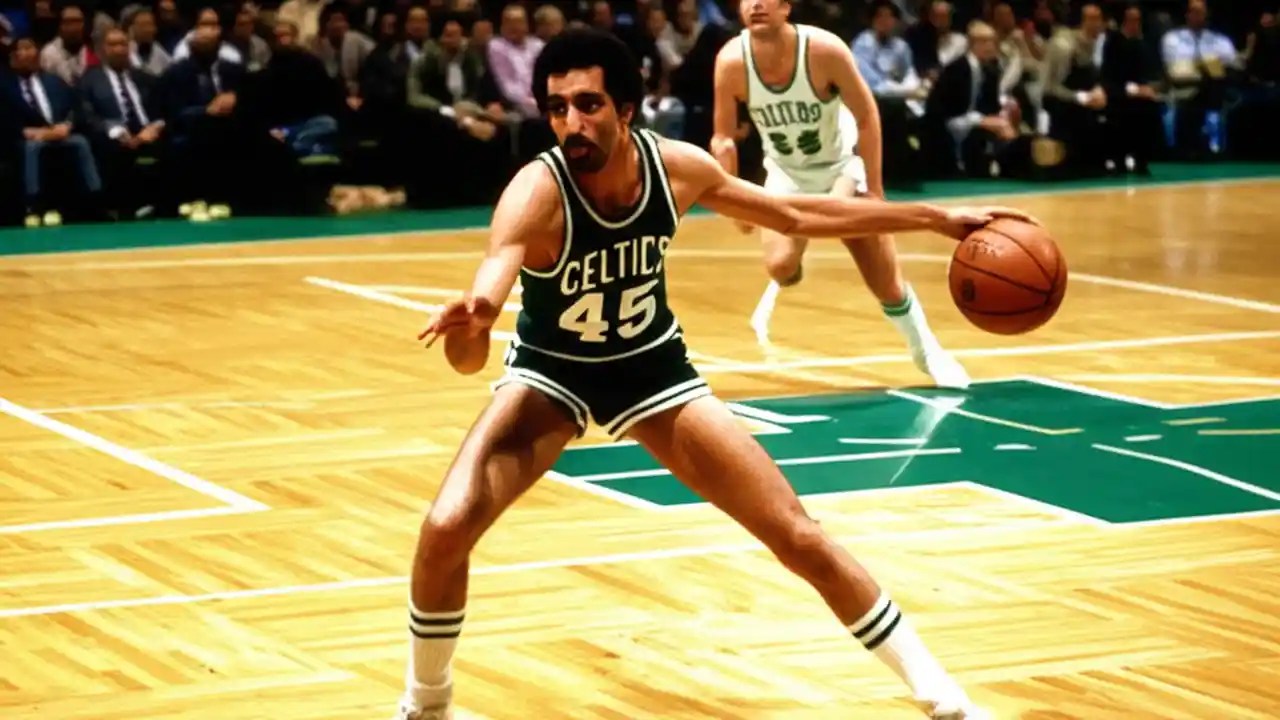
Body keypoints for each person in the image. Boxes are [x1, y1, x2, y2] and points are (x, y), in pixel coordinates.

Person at [394, 27, 1031, 720]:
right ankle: (426, 706)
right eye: (555, 108)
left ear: (628, 109)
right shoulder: (533, 193)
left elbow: (795, 211)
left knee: (797, 533)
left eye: (588, 104)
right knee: (445, 528)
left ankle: (944, 695)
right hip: (554, 375)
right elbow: (473, 344)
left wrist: (935, 217)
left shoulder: (678, 169)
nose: (571, 124)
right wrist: (476, 318)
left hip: (651, 370)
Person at [711, 0, 970, 388]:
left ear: (786, 7)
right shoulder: (731, 61)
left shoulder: (824, 50)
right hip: (786, 173)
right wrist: (732, 195)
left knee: (884, 282)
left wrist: (876, 193)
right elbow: (723, 137)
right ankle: (800, 247)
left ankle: (927, 352)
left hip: (841, 166)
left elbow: (867, 115)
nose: (757, 4)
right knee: (780, 266)